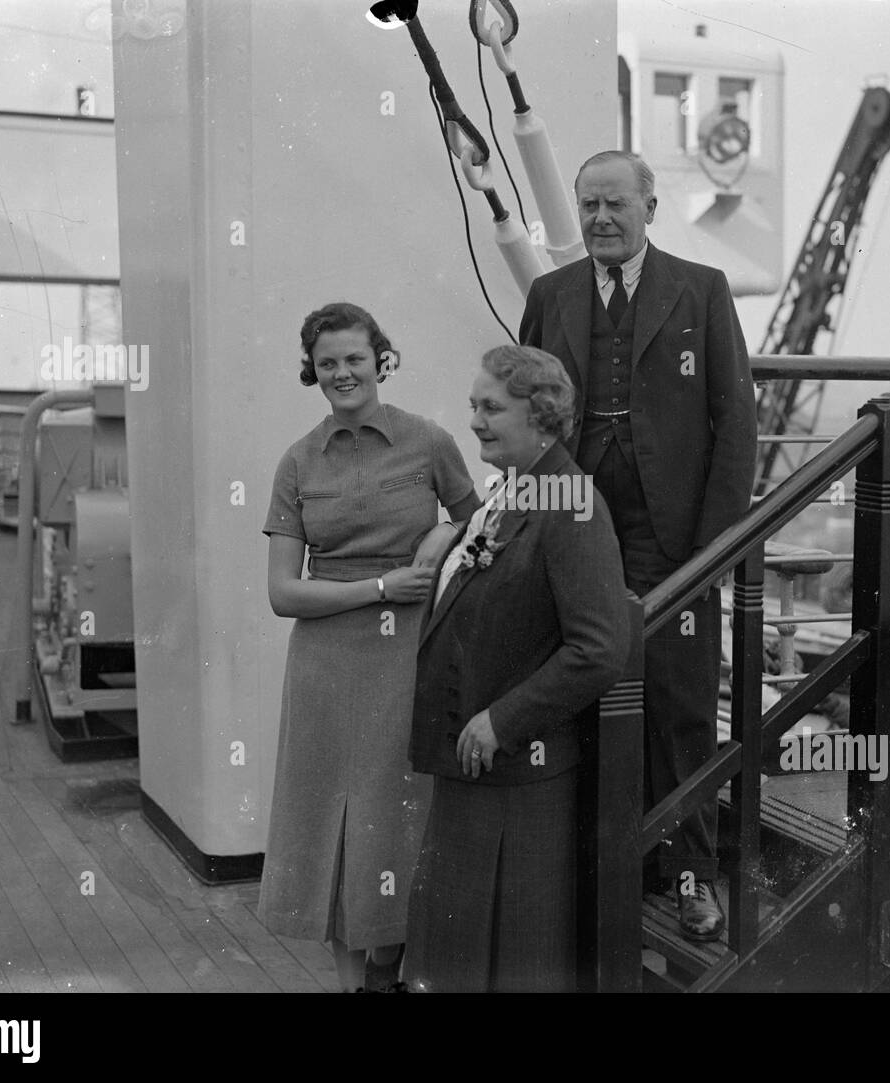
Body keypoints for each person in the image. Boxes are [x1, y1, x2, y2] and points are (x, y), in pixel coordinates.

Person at [520, 149, 758, 941]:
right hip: (574, 526)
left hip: (673, 538)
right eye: (588, 205)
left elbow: (736, 423)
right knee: (574, 693)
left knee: (681, 707)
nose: (599, 219)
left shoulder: (702, 289)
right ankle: (587, 874)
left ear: (650, 207)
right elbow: (525, 422)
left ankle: (692, 877)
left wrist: (714, 549)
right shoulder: (548, 295)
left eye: (616, 205)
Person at [258, 302, 481, 992]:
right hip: (325, 665)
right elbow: (283, 594)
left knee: (395, 815)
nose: (342, 373)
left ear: (379, 359)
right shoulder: (298, 461)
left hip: (409, 659)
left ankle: (387, 965)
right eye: (327, 363)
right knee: (329, 819)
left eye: (354, 358)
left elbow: (478, 522)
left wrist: (440, 541)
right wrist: (384, 585)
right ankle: (354, 984)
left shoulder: (429, 442)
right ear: (312, 371)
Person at [402, 345, 630, 992]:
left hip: (519, 783)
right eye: (474, 404)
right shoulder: (511, 491)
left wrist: (503, 720)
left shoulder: (573, 504)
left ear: (543, 415)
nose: (474, 419)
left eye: (492, 407)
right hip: (475, 778)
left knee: (509, 965)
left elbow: (599, 647)